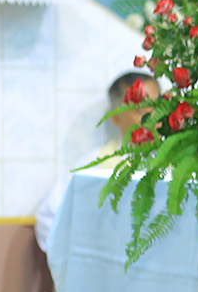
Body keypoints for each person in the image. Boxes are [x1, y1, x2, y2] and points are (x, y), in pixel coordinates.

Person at [34, 71, 158, 251]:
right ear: (116, 116)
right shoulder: (95, 166)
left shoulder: (184, 165)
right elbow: (49, 217)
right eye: (140, 111)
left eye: (157, 108)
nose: (152, 119)